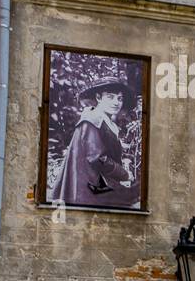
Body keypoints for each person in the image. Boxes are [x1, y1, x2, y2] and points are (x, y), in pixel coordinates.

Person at [50, 79, 137, 208]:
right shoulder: (92, 119)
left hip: (96, 183)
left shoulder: (103, 120)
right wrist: (123, 174)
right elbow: (97, 158)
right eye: (110, 97)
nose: (116, 102)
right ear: (98, 98)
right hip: (89, 186)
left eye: (119, 98)